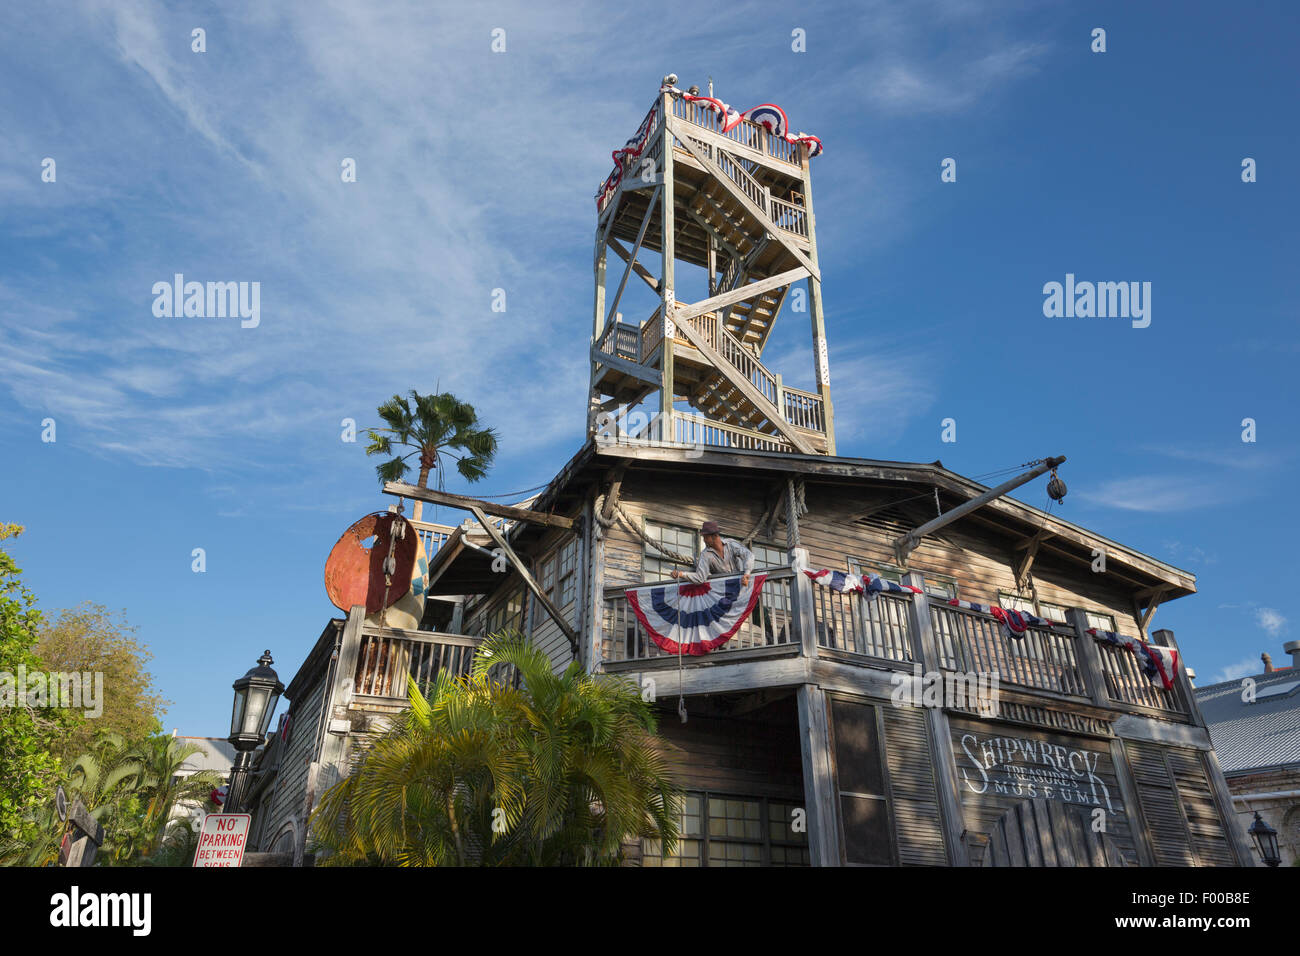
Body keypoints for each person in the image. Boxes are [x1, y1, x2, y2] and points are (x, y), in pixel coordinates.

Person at [671, 520, 753, 588]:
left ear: (714, 536)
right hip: (723, 590)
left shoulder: (730, 544)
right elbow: (700, 577)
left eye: (706, 537)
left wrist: (746, 574)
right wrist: (681, 574)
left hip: (741, 586)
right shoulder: (705, 555)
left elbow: (748, 555)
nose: (704, 540)